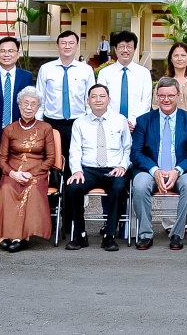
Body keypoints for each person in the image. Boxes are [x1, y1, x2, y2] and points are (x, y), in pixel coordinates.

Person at [130, 77, 187, 251]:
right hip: (151, 171)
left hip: (182, 171)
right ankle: (145, 234)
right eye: (162, 96)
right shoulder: (144, 121)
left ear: (178, 96)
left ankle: (177, 233)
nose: (166, 100)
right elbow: (136, 153)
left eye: (170, 95)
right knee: (139, 186)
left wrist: (177, 170)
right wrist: (154, 170)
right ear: (156, 97)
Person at [0, 86, 59, 251]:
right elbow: (1, 159)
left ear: (38, 107)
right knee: (6, 189)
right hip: (12, 170)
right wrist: (12, 173)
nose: (29, 107)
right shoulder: (9, 129)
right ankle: (4, 234)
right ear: (19, 105)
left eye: (33, 104)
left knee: (29, 190)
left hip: (37, 172)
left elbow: (51, 159)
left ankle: (20, 236)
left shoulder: (46, 128)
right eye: (25, 103)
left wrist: (30, 173)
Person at [60, 83, 132, 251]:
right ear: (88, 101)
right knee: (73, 188)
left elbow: (128, 148)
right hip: (88, 169)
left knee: (119, 187)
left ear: (109, 100)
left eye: (102, 96)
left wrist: (123, 166)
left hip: (113, 168)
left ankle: (109, 235)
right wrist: (77, 170)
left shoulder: (120, 120)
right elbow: (75, 150)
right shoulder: (80, 123)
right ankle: (80, 234)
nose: (98, 100)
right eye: (94, 97)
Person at [36, 30, 95, 155]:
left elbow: (90, 98)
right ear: (57, 46)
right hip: (51, 121)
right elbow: (40, 97)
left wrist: (90, 119)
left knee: (75, 157)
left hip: (78, 121)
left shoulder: (86, 70)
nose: (67, 46)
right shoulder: (46, 69)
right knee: (52, 158)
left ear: (77, 46)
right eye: (63, 43)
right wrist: (39, 121)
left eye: (71, 43)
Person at [96, 31, 153, 129]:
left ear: (134, 49)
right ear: (115, 49)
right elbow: (101, 99)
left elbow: (146, 102)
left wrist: (132, 121)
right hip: (110, 125)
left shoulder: (144, 73)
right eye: (122, 46)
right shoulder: (104, 73)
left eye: (129, 47)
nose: (125, 50)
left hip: (137, 126)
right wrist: (117, 121)